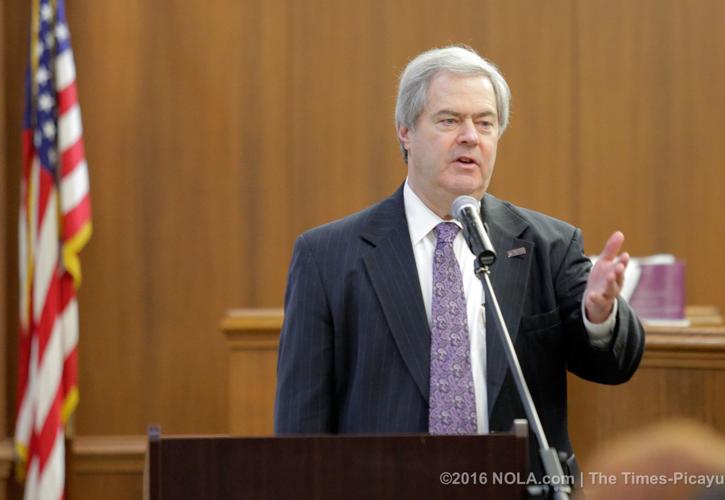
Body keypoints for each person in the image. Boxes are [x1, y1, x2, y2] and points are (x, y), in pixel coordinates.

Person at [274, 45, 645, 482]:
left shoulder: (548, 245)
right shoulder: (329, 256)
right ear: (405, 132)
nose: (471, 136)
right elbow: (301, 425)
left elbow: (613, 366)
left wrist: (599, 315)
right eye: (449, 120)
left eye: (485, 123)